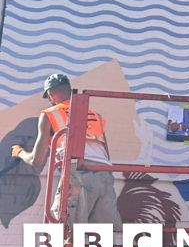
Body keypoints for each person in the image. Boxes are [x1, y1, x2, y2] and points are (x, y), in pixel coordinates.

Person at [10, 73, 121, 229]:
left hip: (77, 172)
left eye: (49, 96)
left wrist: (19, 152)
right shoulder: (95, 115)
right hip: (104, 173)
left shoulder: (50, 114)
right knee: (106, 237)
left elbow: (37, 160)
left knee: (65, 231)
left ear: (51, 94)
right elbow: (105, 152)